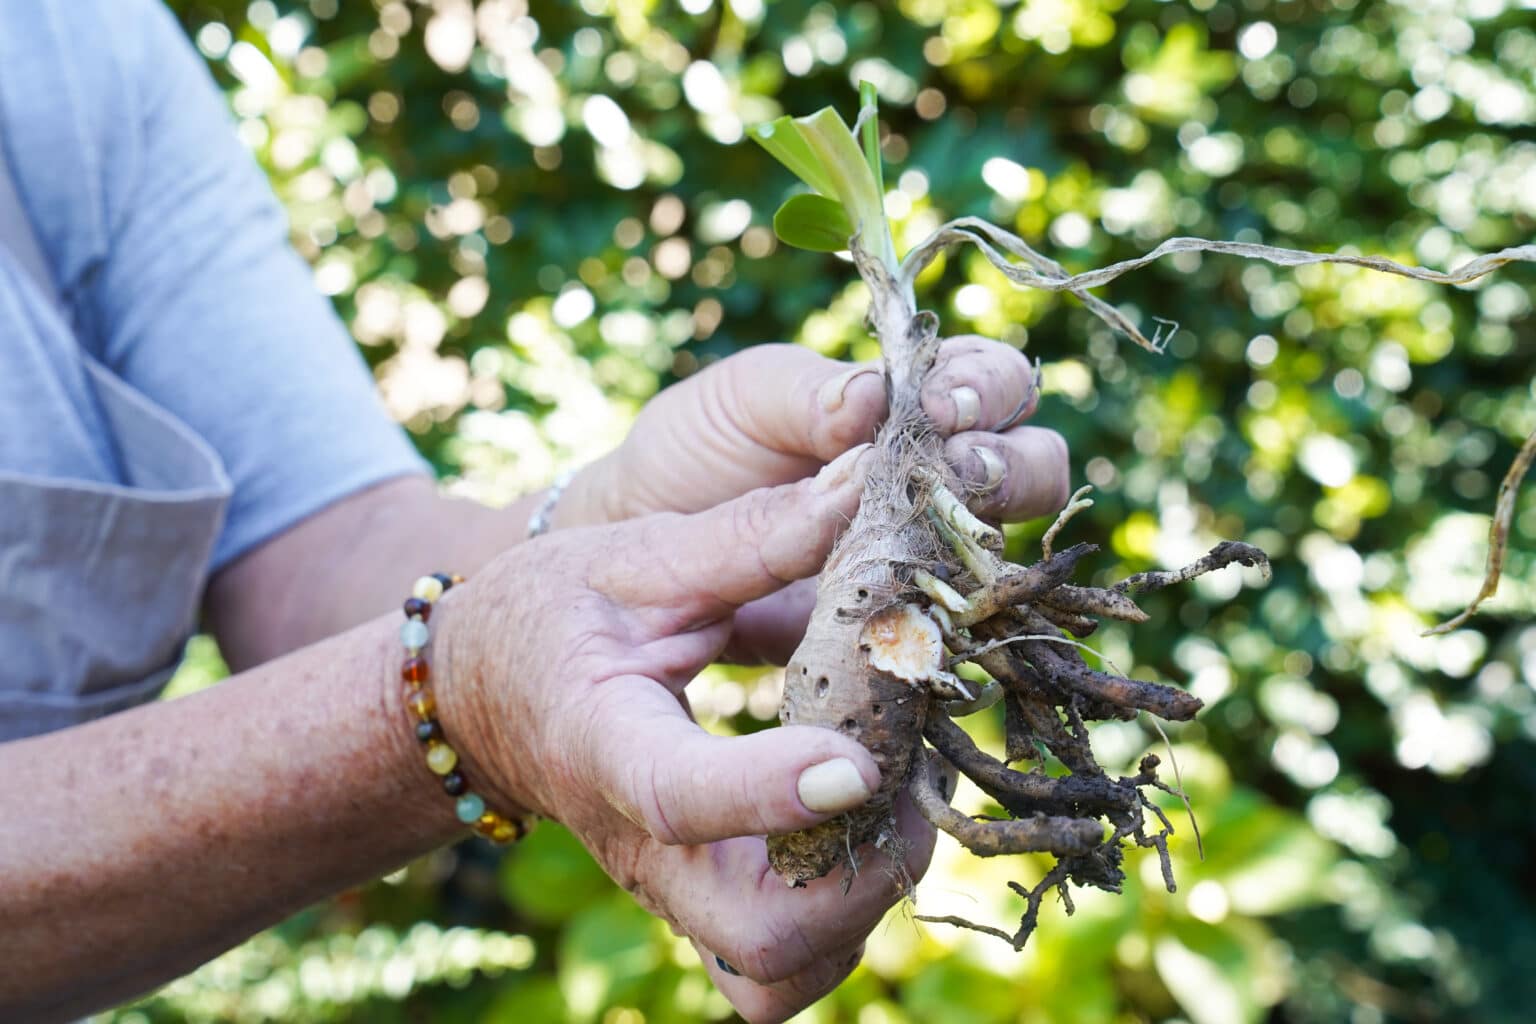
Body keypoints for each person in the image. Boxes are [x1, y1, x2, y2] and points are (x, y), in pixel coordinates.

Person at [0, 2, 1069, 1021]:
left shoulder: (72, 34)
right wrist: (448, 703)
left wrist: (610, 517)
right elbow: (432, 663)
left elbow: (317, 549)